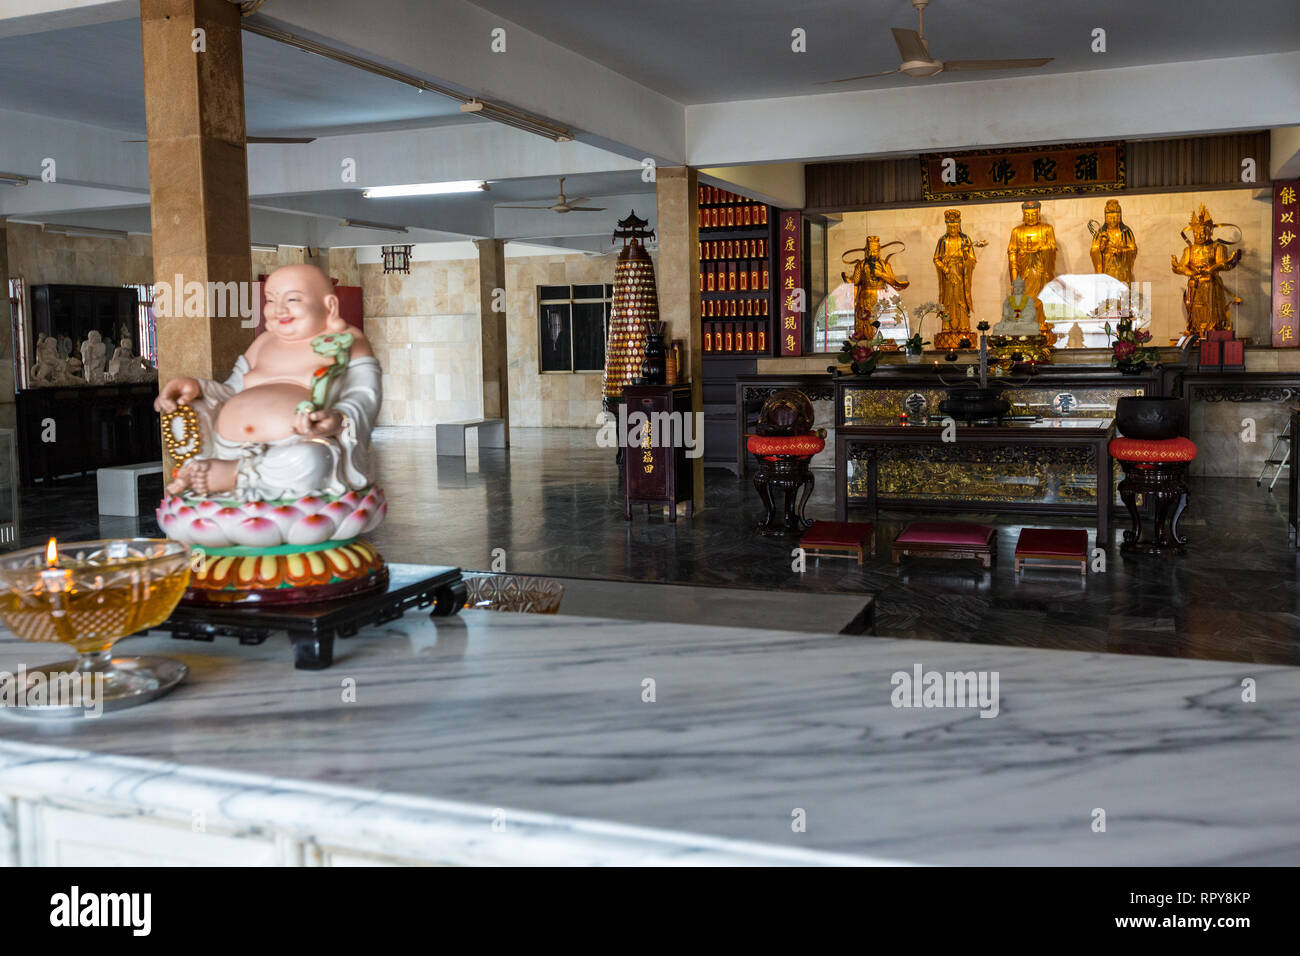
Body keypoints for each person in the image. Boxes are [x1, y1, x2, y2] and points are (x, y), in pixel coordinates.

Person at [155, 264, 381, 500]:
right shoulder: (263, 342)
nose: (279, 309)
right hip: (227, 445)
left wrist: (338, 419)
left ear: (329, 305)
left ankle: (233, 476)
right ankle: (209, 472)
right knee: (192, 411)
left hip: (292, 449)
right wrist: (198, 387)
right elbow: (231, 391)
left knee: (313, 459)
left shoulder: (348, 341)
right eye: (271, 300)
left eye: (293, 299)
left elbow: (364, 396)